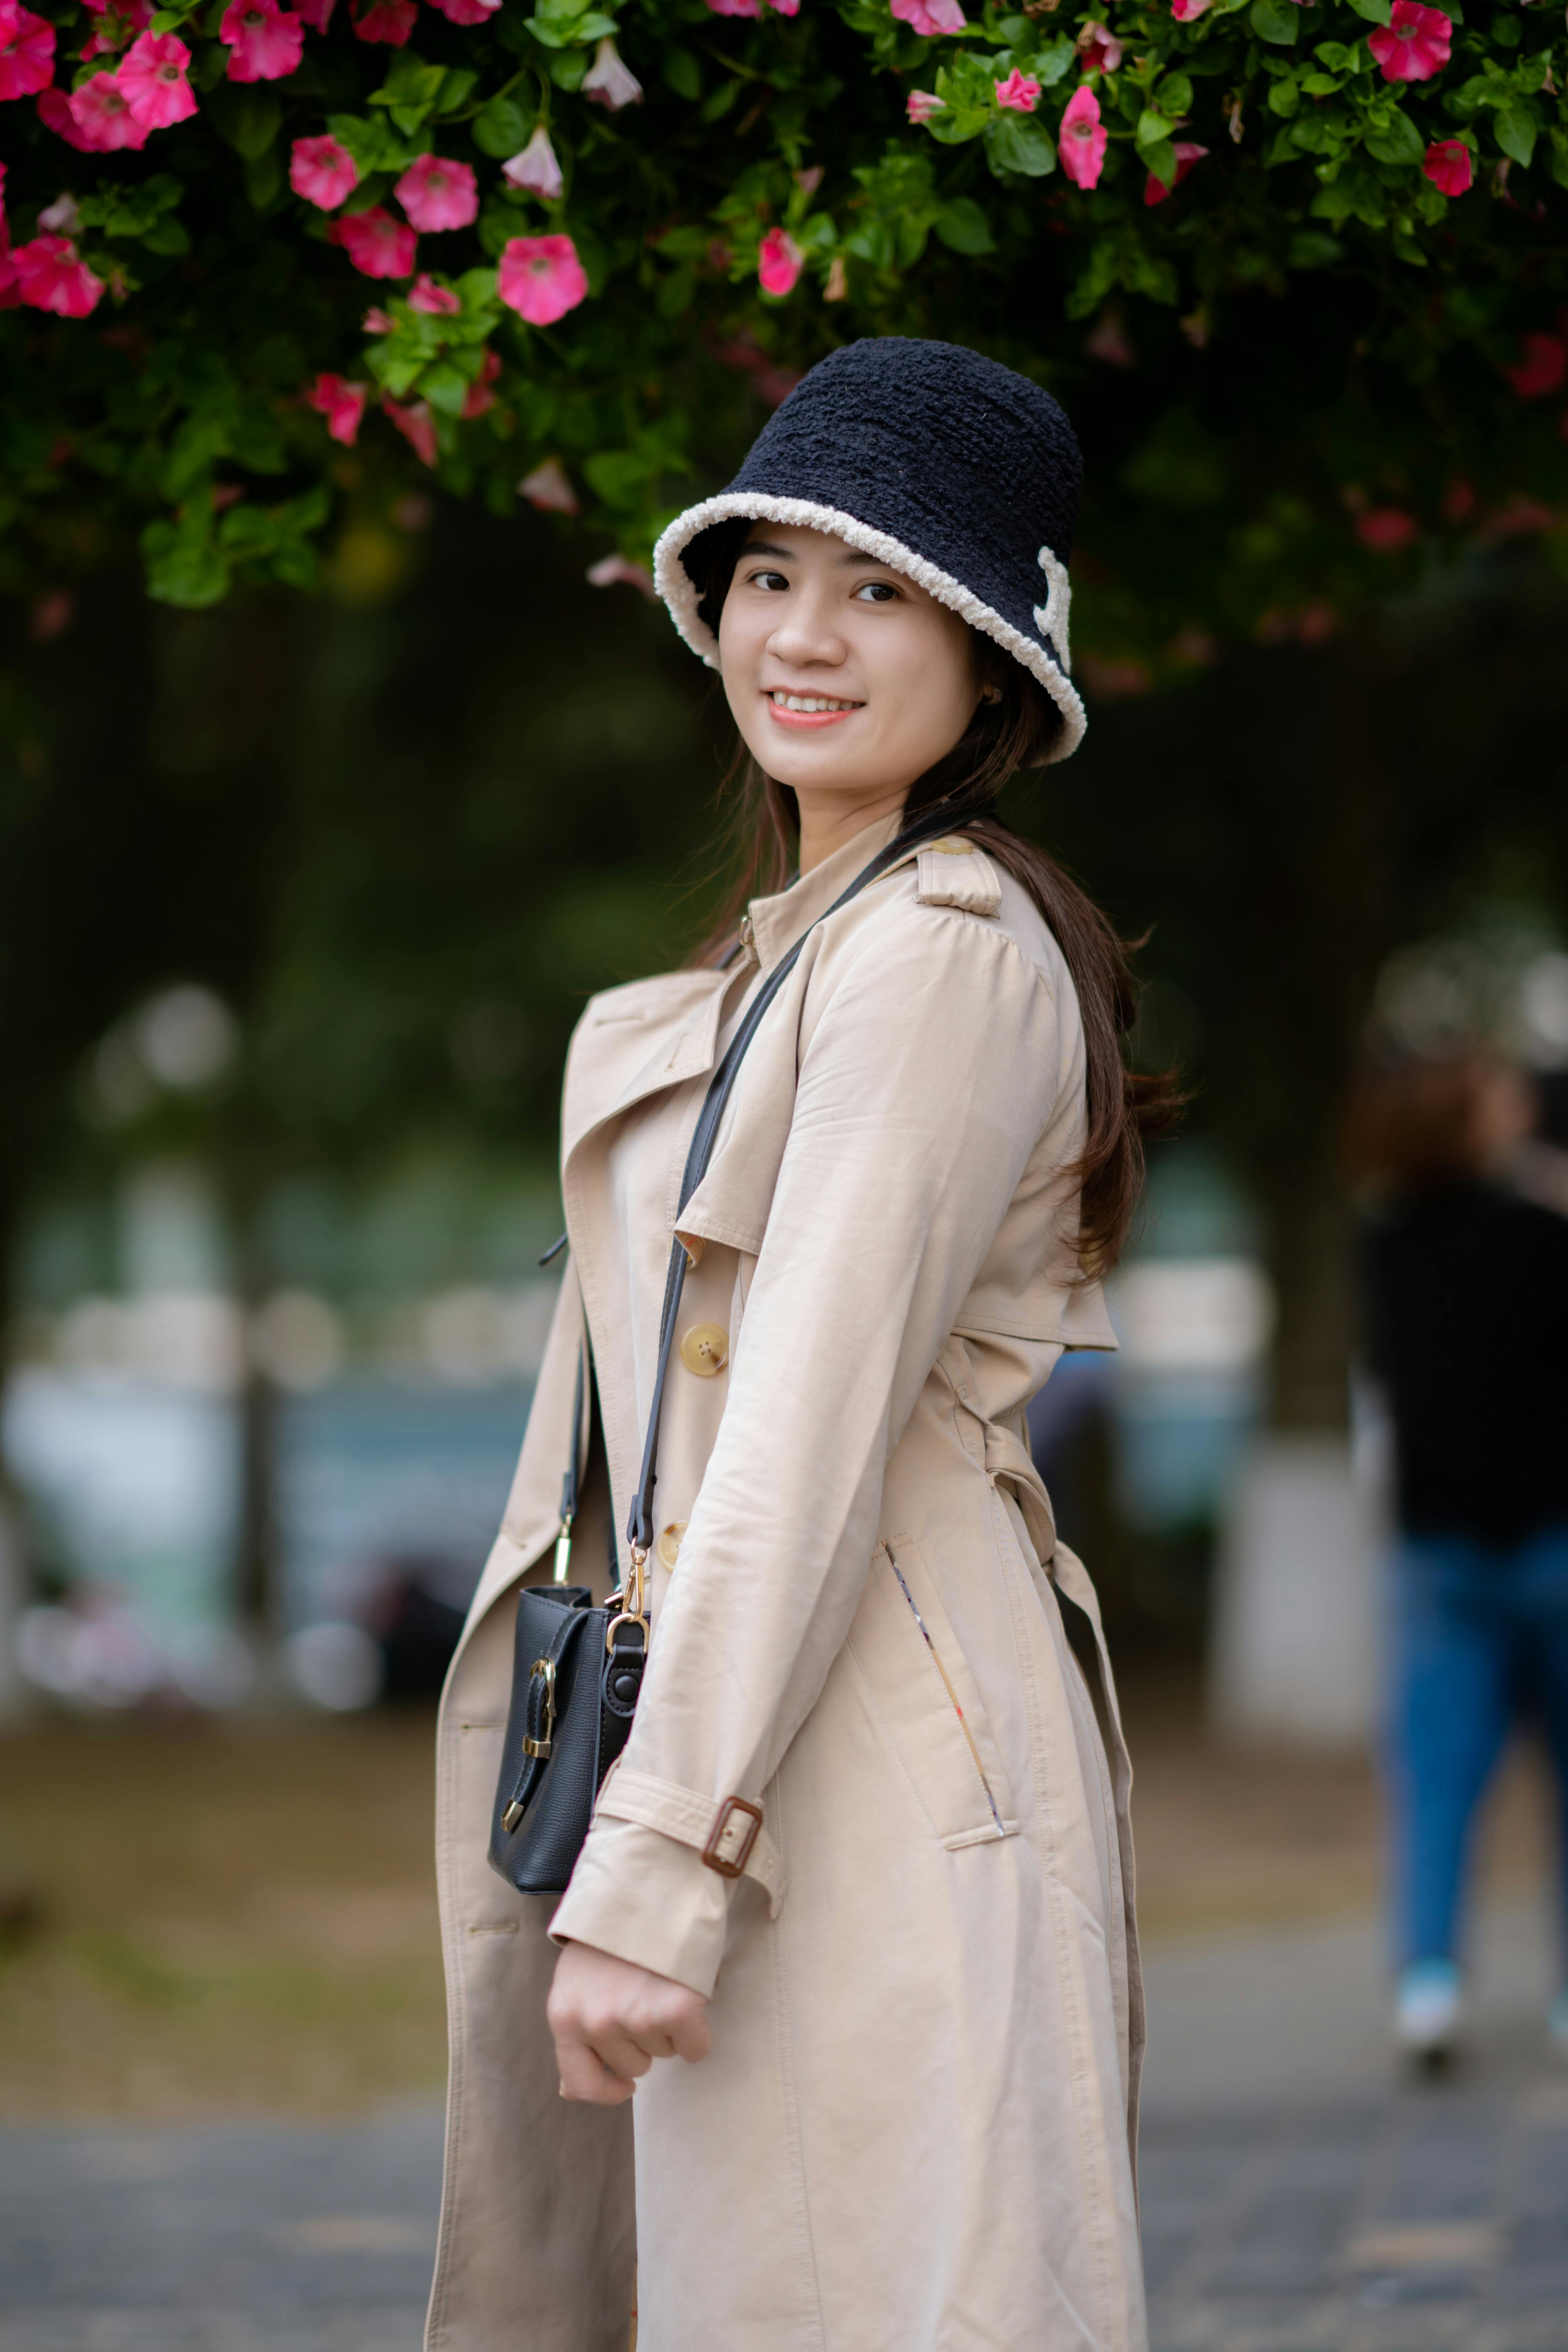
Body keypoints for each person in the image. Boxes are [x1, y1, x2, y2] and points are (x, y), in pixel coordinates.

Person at [425, 339, 1178, 2352]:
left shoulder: (935, 956)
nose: (805, 636)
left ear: (991, 661)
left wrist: (655, 1867)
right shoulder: (804, 954)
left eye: (881, 591)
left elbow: (801, 1433)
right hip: (768, 1730)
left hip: (864, 1741)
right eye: (770, 577)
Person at [1352, 1049, 1568, 2065]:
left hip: (1438, 1552)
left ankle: (1428, 1990)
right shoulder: (1540, 1238)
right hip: (1553, 1544)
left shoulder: (1381, 1250)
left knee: (1437, 1782)